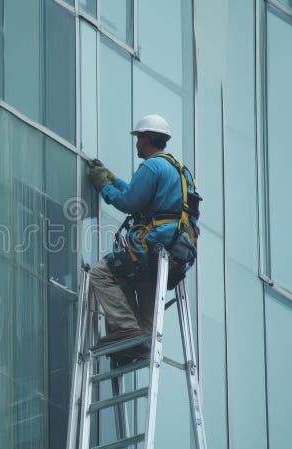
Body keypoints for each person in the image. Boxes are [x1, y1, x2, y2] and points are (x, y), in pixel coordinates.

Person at [87, 114, 200, 362]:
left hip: (154, 246)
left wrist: (102, 186)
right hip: (174, 252)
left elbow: (129, 202)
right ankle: (141, 344)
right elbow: (140, 196)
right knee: (145, 286)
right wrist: (113, 179)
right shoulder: (179, 170)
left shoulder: (151, 166)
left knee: (101, 273)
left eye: (139, 138)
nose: (137, 143)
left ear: (147, 138)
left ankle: (126, 328)